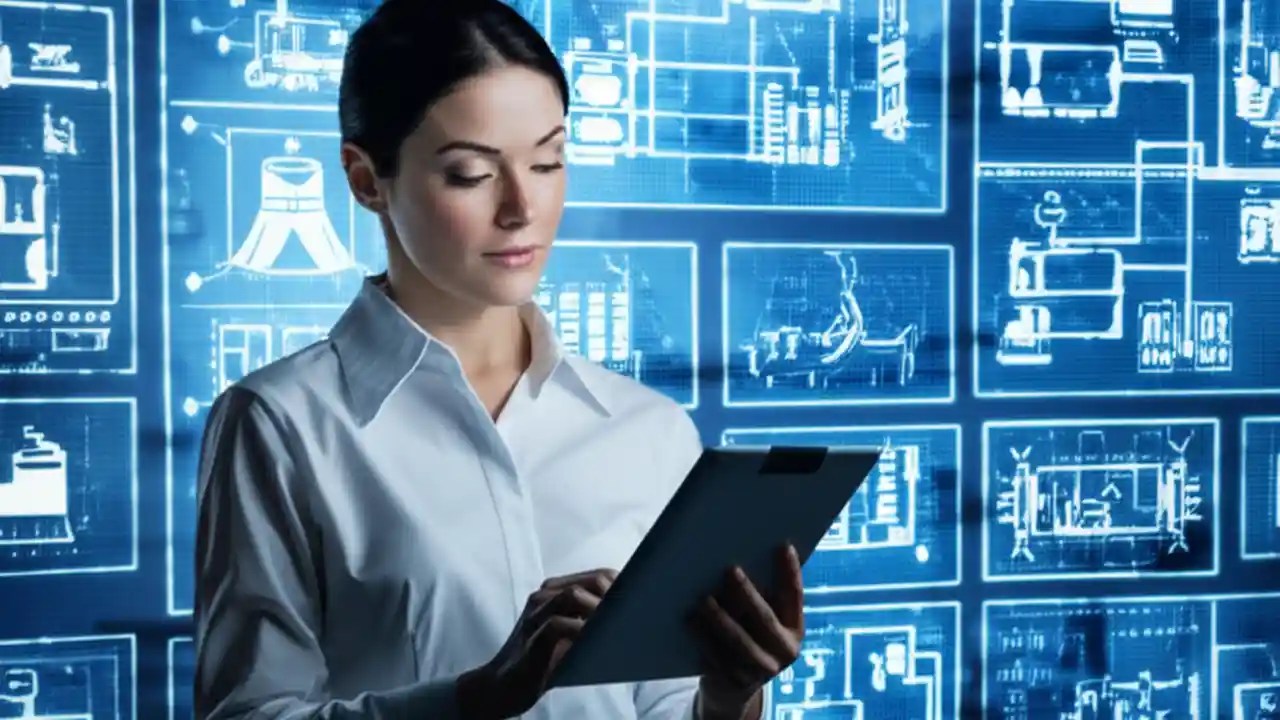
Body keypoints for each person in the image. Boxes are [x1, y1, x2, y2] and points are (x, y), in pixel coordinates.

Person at [192, 1, 805, 718]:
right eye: (470, 174)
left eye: (547, 161)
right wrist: (474, 699)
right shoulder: (283, 425)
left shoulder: (650, 430)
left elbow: (664, 708)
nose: (523, 207)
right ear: (366, 180)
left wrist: (731, 693)